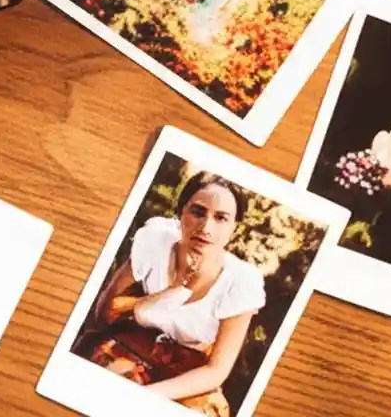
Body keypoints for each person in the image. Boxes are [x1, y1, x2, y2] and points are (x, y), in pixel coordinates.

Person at [79, 172, 266, 416]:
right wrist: (172, 291)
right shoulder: (156, 242)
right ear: (181, 213)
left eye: (221, 218)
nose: (205, 227)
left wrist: (149, 396)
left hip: (192, 373)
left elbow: (217, 370)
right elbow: (102, 315)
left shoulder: (241, 282)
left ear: (234, 227)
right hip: (134, 346)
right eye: (198, 212)